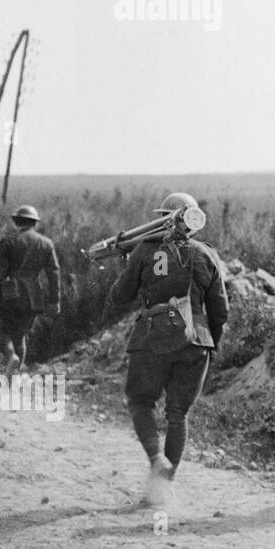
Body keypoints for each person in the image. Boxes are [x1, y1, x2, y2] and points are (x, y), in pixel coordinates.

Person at [106, 192, 228, 505]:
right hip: (196, 341)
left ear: (163, 218)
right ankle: (163, 486)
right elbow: (221, 310)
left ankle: (156, 458)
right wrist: (208, 343)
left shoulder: (145, 250)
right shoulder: (207, 254)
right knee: (178, 413)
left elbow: (120, 296)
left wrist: (128, 265)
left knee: (140, 400)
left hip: (152, 339)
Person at [0, 204, 61, 376]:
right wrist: (55, 301)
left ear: (17, 222)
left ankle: (10, 356)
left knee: (1, 333)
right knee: (21, 335)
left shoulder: (7, 241)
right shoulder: (46, 244)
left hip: (9, 294)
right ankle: (15, 376)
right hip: (32, 296)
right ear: (34, 223)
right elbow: (54, 274)